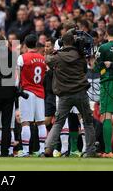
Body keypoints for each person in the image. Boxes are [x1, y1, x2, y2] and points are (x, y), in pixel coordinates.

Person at [45, 30, 98, 158]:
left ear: (63, 42)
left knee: (58, 122)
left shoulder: (57, 56)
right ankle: (90, 151)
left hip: (64, 95)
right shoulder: (81, 56)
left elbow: (48, 60)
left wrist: (51, 53)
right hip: (80, 93)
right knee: (87, 122)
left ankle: (48, 148)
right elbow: (85, 69)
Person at [93, 23, 113, 154]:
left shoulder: (103, 47)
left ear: (106, 33)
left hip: (108, 82)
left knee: (107, 115)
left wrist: (99, 69)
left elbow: (97, 67)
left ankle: (107, 151)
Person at [16, 34, 47, 157]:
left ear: (25, 44)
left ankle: (25, 150)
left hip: (26, 93)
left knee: (26, 122)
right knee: (41, 122)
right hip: (40, 91)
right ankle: (42, 150)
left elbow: (17, 77)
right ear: (36, 44)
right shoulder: (42, 58)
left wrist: (15, 89)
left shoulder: (22, 58)